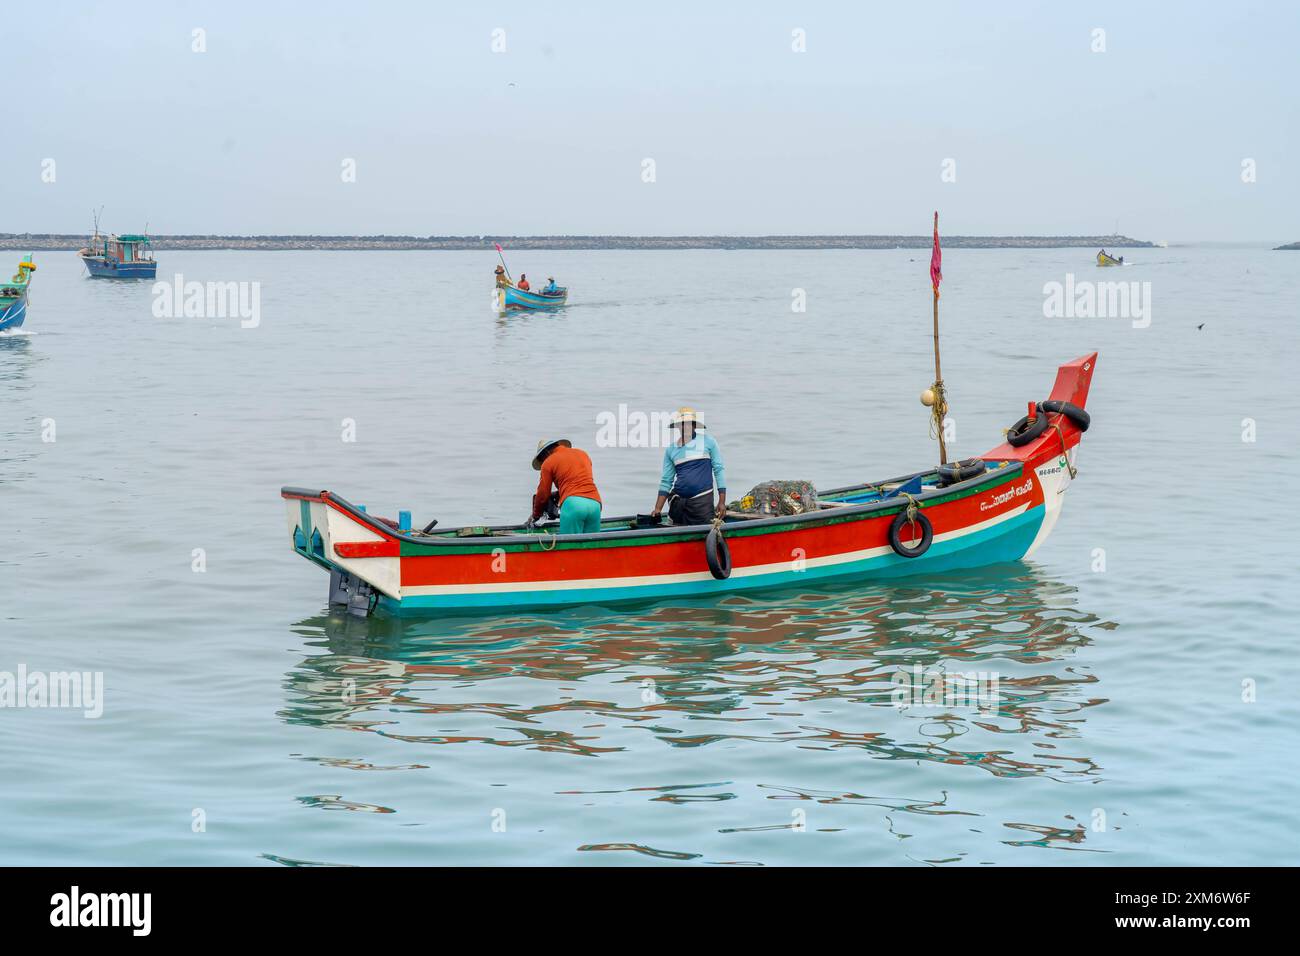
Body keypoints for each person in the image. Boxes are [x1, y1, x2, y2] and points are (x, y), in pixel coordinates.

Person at [650, 407, 726, 525]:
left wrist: (722, 502)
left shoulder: (708, 442)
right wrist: (658, 509)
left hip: (702, 502)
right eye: (683, 424)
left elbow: (719, 470)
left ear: (695, 425)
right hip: (678, 504)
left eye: (689, 424)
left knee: (706, 533)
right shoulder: (671, 450)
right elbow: (666, 481)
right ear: (678, 426)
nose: (686, 427)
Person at [529, 438, 603, 534]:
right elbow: (577, 480)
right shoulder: (583, 454)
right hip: (595, 504)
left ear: (545, 453)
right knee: (592, 546)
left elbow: (543, 495)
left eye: (541, 460)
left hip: (573, 505)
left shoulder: (548, 462)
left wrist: (535, 515)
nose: (543, 462)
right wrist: (559, 493)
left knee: (569, 546)